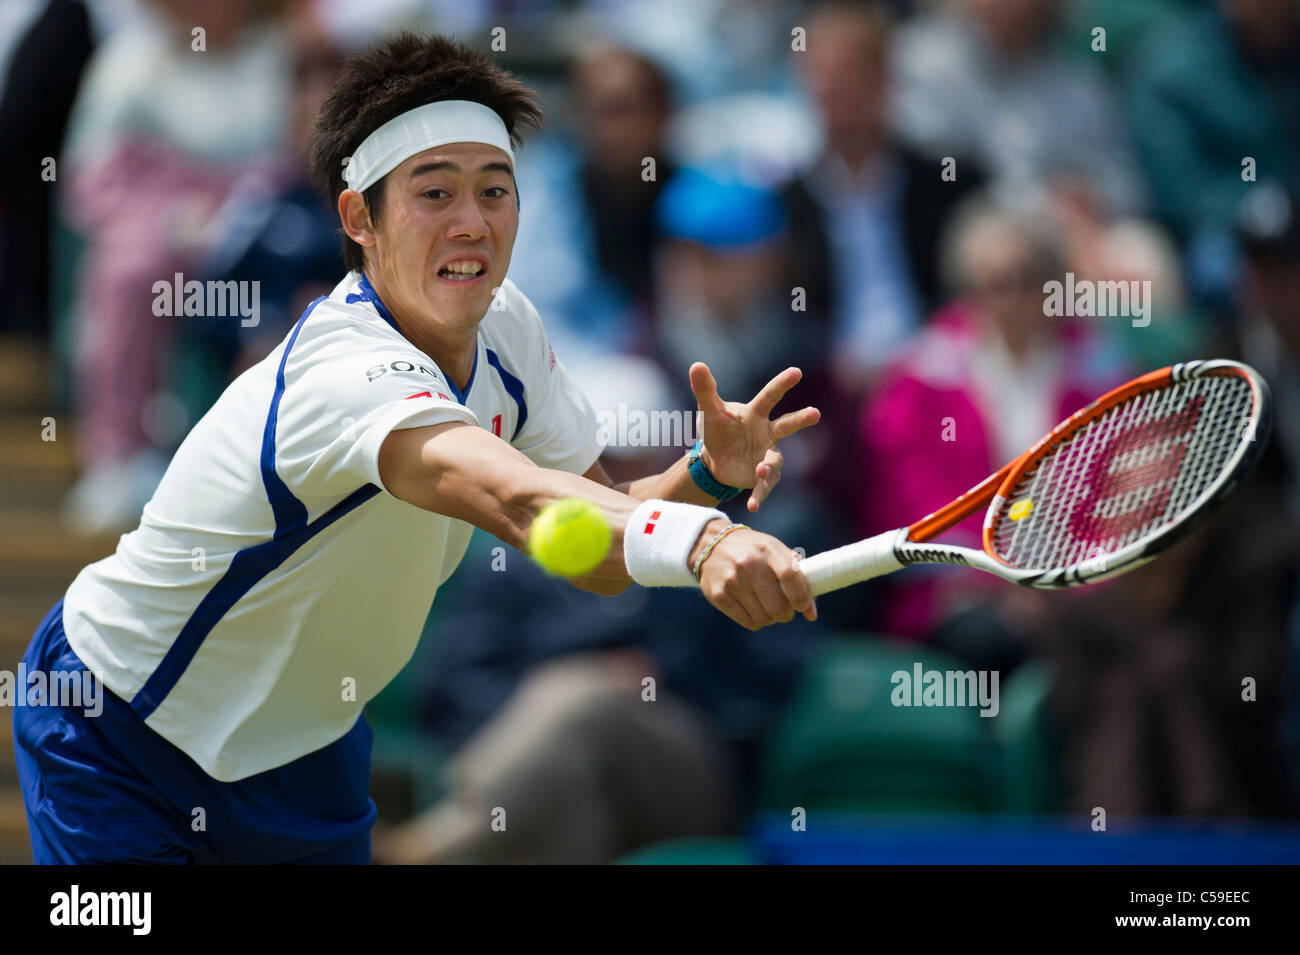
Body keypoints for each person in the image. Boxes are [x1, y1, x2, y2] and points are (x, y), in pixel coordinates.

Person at [13, 32, 821, 865]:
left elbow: (600, 550)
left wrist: (704, 478)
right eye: (435, 193)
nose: (472, 223)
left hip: (304, 748)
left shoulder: (508, 326)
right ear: (359, 218)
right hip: (118, 724)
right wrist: (706, 542)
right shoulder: (344, 370)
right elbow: (523, 499)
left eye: (495, 191)